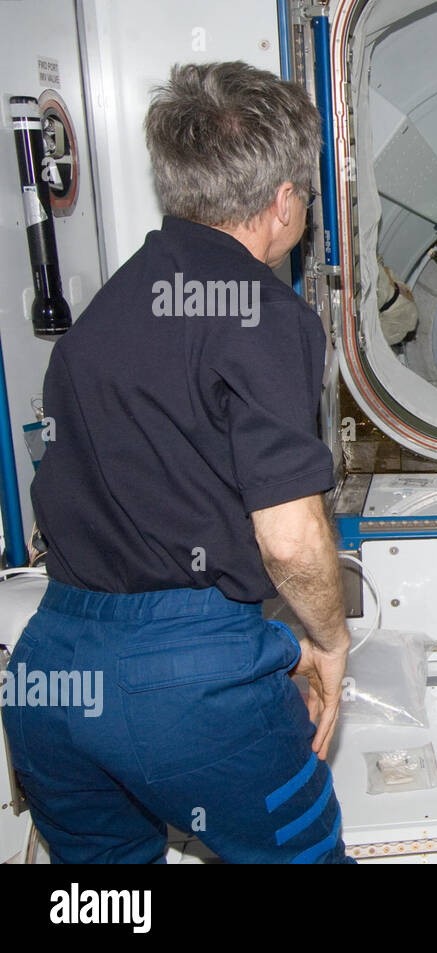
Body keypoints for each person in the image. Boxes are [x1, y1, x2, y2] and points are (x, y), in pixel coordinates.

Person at [1, 62, 353, 863]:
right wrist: (328, 642)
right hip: (187, 690)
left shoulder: (98, 320)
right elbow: (291, 540)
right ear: (284, 200)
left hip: (49, 672)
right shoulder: (267, 313)